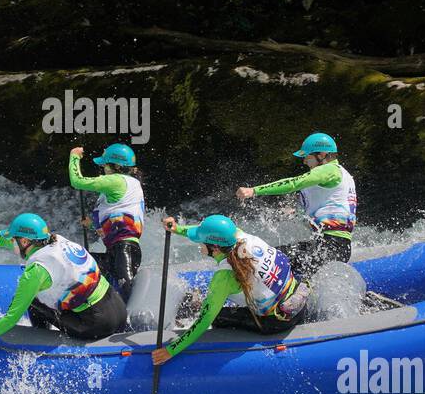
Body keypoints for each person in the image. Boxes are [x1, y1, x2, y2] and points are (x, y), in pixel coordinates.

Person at [0, 212, 126, 354]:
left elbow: (10, 319)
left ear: (24, 242)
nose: (10, 243)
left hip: (97, 324)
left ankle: (41, 346)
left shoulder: (36, 271)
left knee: (33, 302)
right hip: (118, 307)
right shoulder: (55, 239)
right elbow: (1, 238)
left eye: (13, 240)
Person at [151, 215, 311, 366]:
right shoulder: (239, 235)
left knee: (218, 318)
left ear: (214, 248)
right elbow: (209, 233)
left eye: (201, 242)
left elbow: (204, 320)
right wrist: (178, 229)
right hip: (298, 296)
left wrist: (171, 350)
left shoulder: (224, 277)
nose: (198, 245)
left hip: (278, 322)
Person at [235, 132, 356, 276]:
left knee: (266, 261)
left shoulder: (329, 170)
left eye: (307, 156)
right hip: (332, 247)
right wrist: (296, 212)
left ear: (322, 154)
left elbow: (293, 183)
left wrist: (254, 191)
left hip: (330, 247)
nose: (304, 161)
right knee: (275, 256)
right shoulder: (341, 175)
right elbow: (324, 207)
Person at [69, 144, 145, 298]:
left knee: (126, 287)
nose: (103, 167)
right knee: (83, 266)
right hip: (114, 250)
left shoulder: (116, 181)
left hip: (124, 248)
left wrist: (74, 157)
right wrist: (92, 225)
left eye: (105, 164)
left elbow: (77, 181)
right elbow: (116, 218)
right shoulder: (121, 187)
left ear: (116, 166)